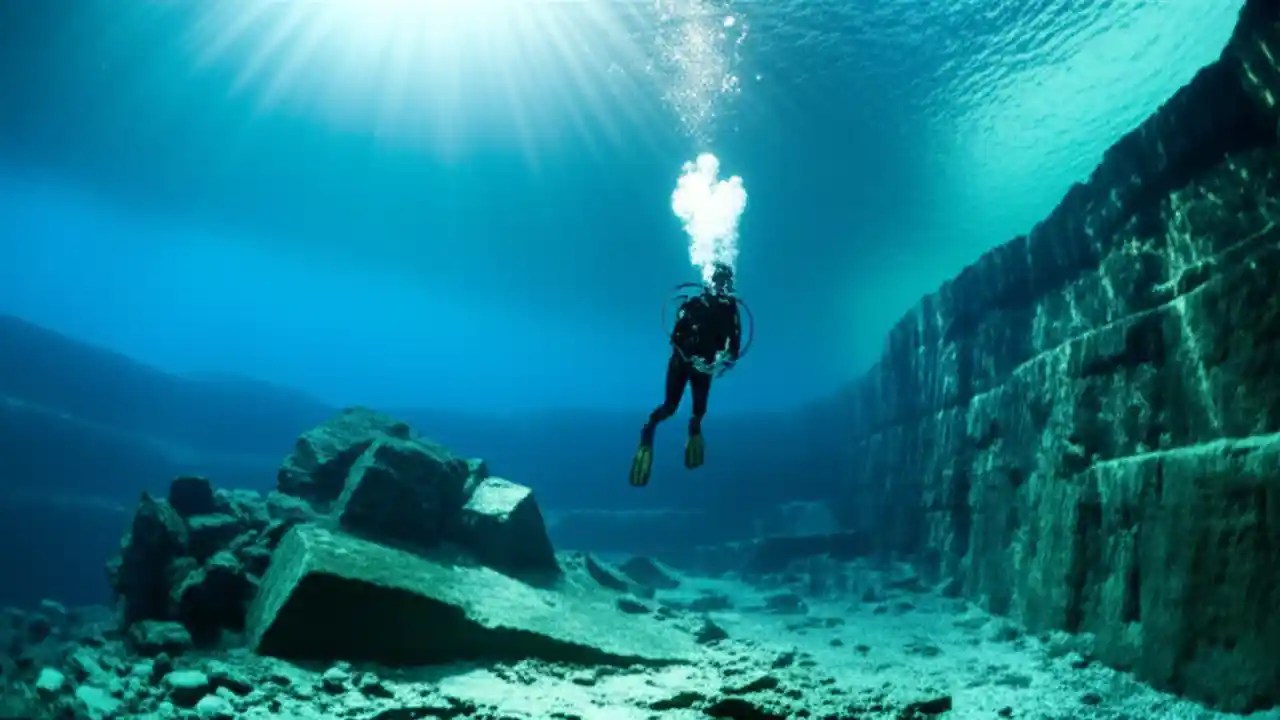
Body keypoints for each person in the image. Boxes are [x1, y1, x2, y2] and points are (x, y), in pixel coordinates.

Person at [629, 262, 743, 487]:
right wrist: (690, 357)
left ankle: (693, 431)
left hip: (702, 367)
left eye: (725, 283)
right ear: (711, 283)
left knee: (698, 411)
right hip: (683, 364)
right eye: (718, 282)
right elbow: (674, 337)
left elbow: (734, 349)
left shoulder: (731, 310)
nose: (721, 287)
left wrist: (718, 363)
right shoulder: (694, 304)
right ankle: (648, 434)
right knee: (670, 407)